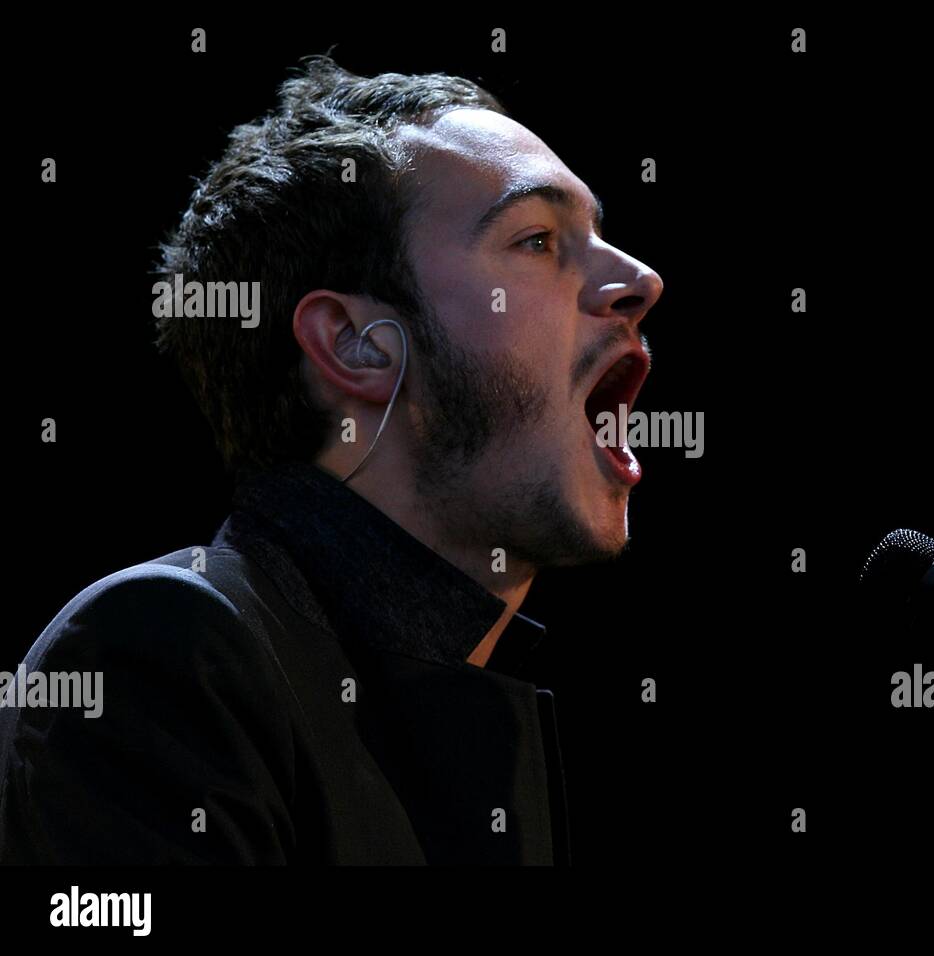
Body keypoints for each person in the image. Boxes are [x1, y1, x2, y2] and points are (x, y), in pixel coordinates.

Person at [0, 55, 664, 864]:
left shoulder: (486, 693)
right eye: (536, 240)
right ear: (357, 346)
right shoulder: (165, 652)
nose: (639, 280)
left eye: (599, 234)